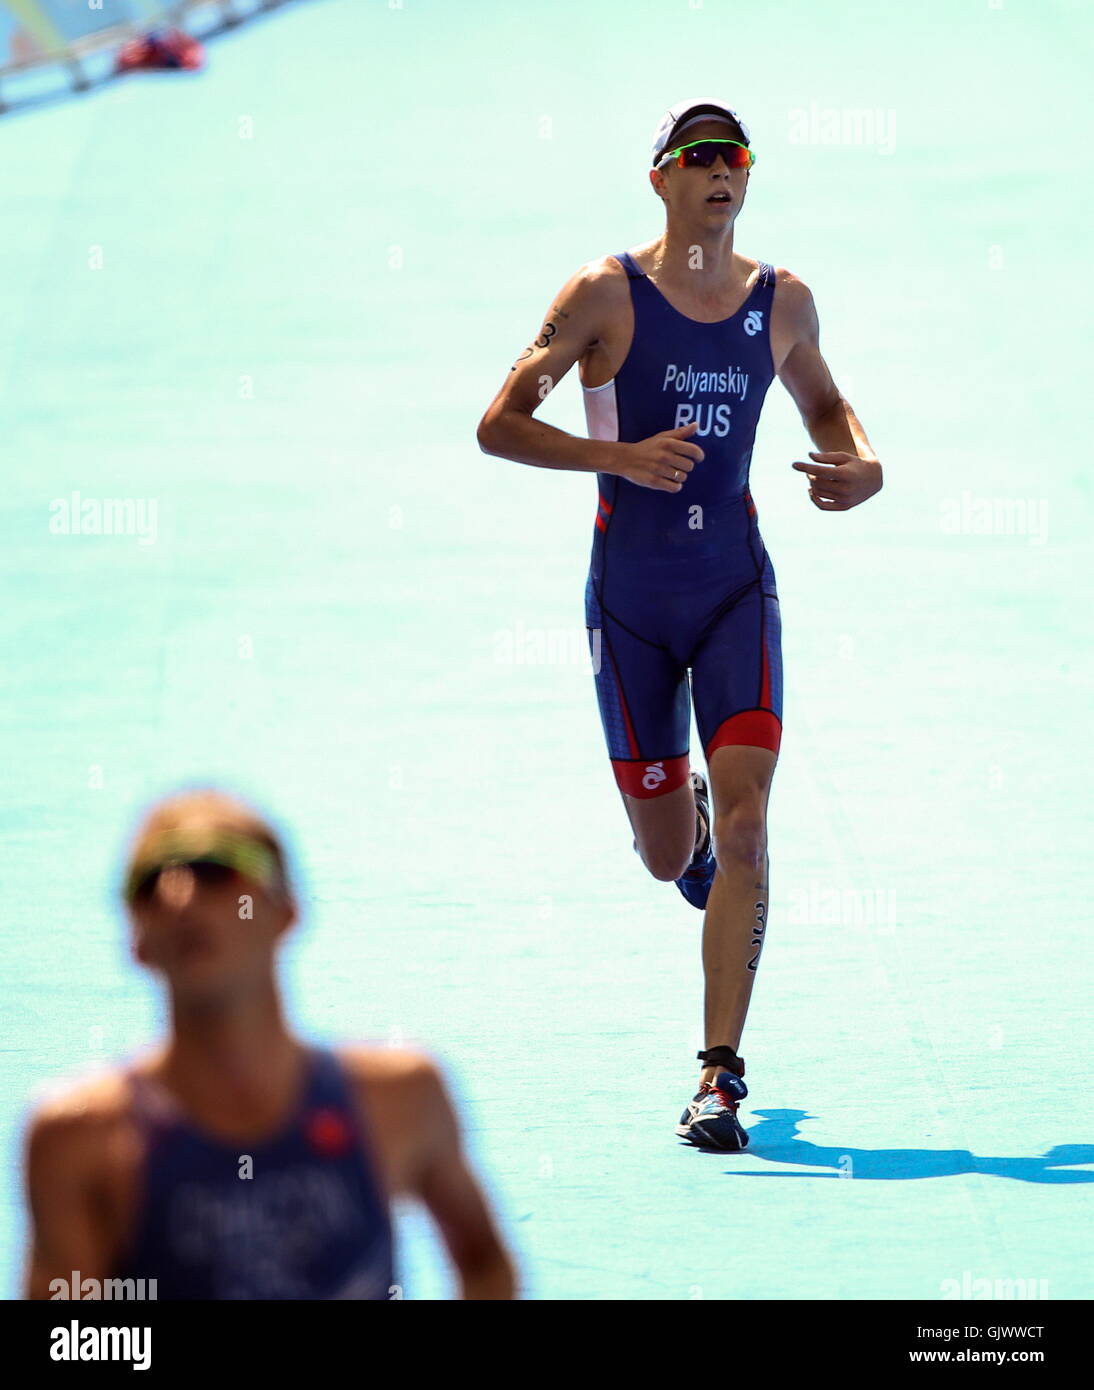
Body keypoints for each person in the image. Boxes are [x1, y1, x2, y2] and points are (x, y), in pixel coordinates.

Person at [477, 97, 882, 1151]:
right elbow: (497, 423)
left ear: (746, 179)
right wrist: (615, 457)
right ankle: (686, 831)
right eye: (695, 156)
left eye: (732, 156)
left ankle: (717, 1079)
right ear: (657, 178)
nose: (717, 172)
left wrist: (862, 460)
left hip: (730, 591)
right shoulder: (603, 293)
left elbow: (826, 404)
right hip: (630, 603)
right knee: (668, 859)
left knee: (753, 821)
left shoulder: (780, 301)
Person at [22, 789, 516, 1299]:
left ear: (285, 910)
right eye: (149, 884)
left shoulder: (400, 1099)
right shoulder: (77, 1141)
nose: (179, 897)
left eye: (215, 870)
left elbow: (486, 1266)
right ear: (137, 939)